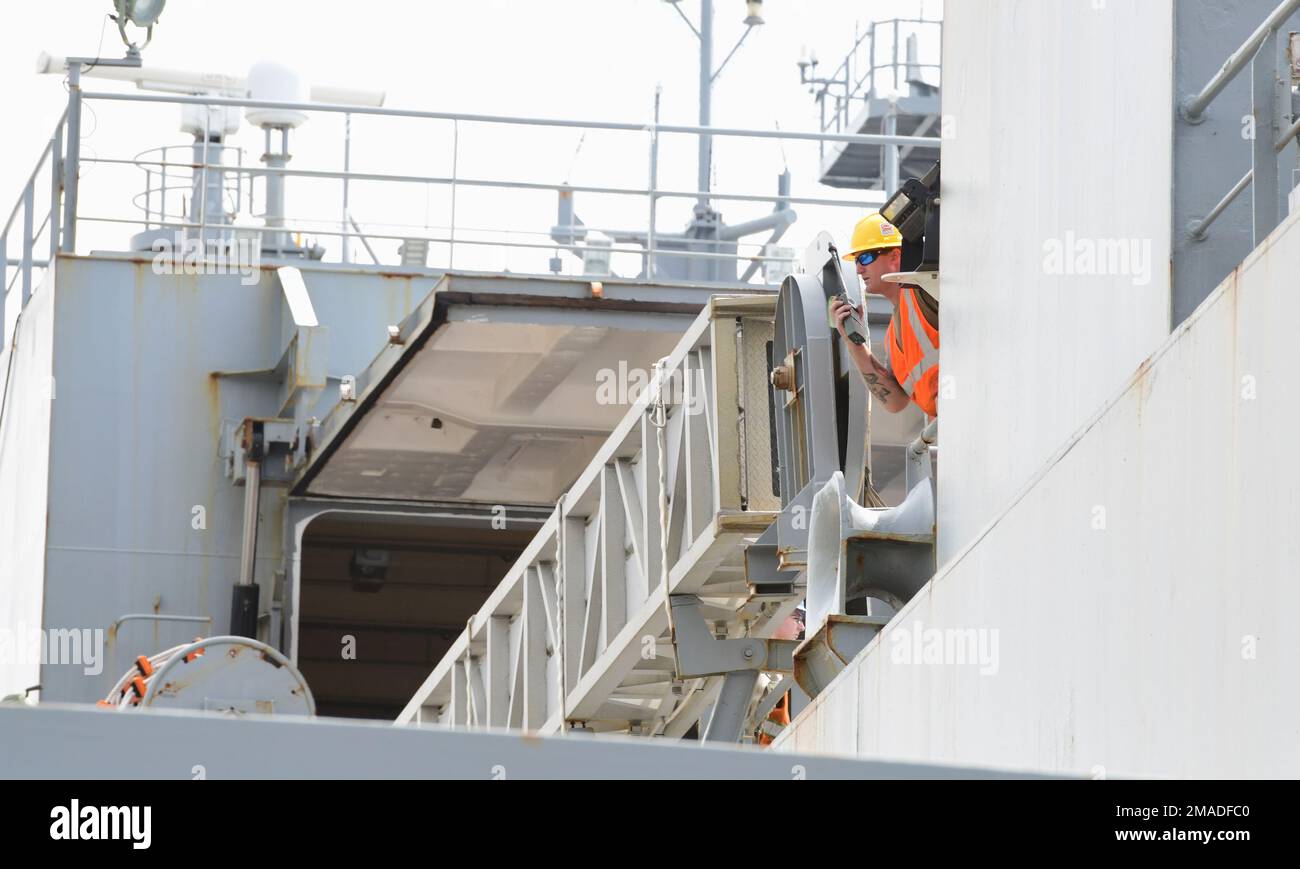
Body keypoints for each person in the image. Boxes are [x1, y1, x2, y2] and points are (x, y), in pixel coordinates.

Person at [830, 213, 940, 418]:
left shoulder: (928, 293)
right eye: (856, 261)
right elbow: (895, 402)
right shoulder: (893, 335)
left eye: (866, 257)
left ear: (896, 255)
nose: (859, 269)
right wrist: (852, 341)